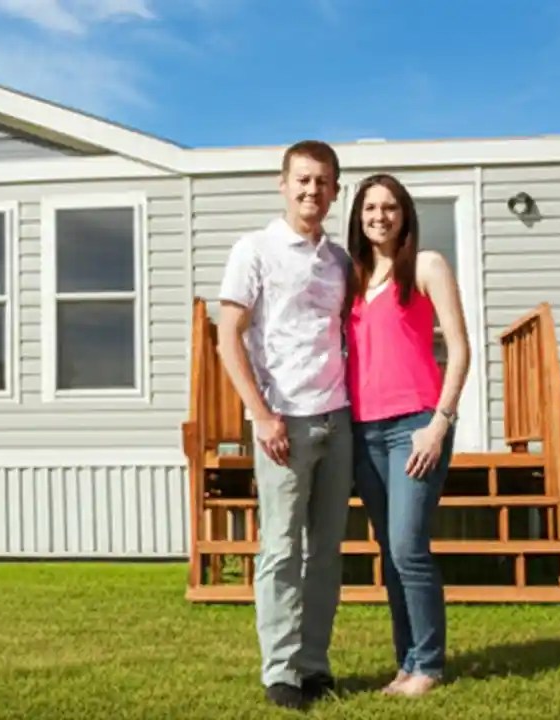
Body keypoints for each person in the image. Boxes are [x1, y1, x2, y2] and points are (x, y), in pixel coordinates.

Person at [216, 140, 354, 711]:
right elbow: (229, 335)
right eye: (301, 180)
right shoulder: (255, 250)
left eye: (322, 182)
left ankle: (314, 666)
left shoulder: (340, 260)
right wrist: (260, 413)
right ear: (283, 183)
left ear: (335, 191)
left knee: (326, 552)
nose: (311, 191)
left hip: (337, 416)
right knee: (279, 551)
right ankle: (280, 671)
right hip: (282, 423)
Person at [344, 173, 471, 697]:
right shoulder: (351, 279)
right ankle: (407, 662)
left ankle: (430, 666)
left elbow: (461, 350)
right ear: (359, 216)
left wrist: (439, 423)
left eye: (390, 207)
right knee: (390, 552)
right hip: (363, 431)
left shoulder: (425, 266)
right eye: (371, 208)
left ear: (405, 214)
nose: (380, 216)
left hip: (416, 426)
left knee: (408, 547)